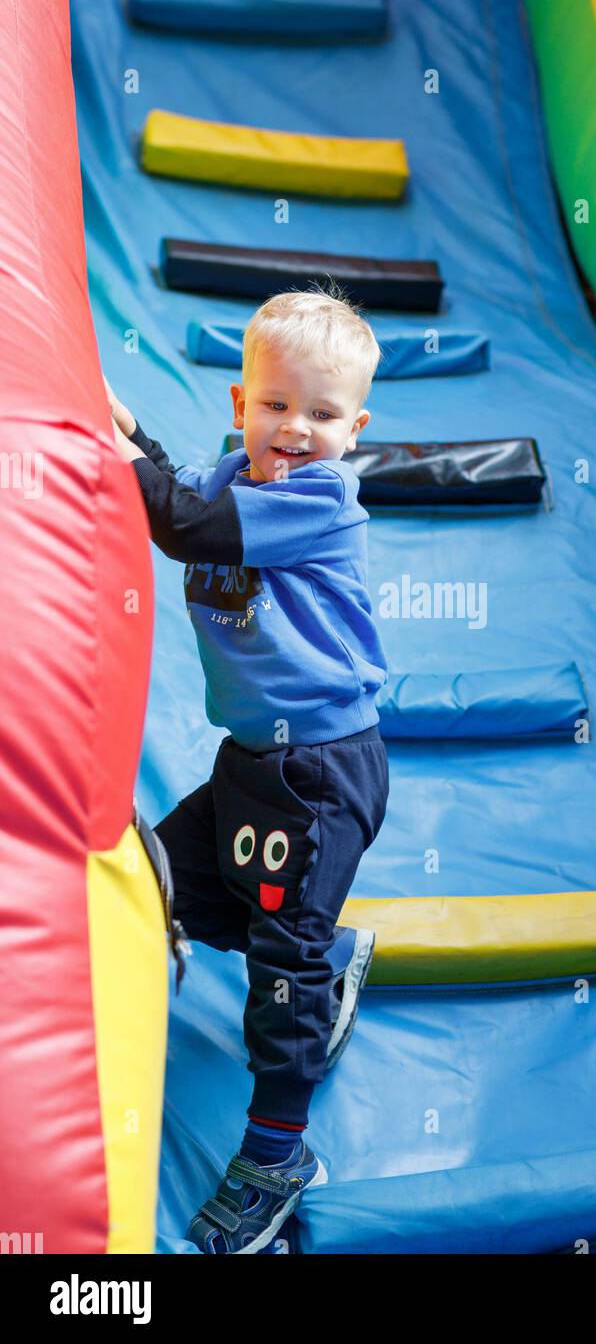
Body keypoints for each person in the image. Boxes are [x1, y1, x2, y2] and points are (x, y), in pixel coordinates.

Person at [106, 285, 390, 1254]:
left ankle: (276, 1151)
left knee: (280, 965)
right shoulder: (235, 472)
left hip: (319, 770)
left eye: (321, 413)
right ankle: (328, 955)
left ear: (354, 428)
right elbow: (181, 485)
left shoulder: (316, 500)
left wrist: (104, 453)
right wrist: (128, 427)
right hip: (252, 762)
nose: (295, 430)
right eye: (276, 405)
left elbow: (181, 525)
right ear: (239, 405)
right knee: (163, 890)